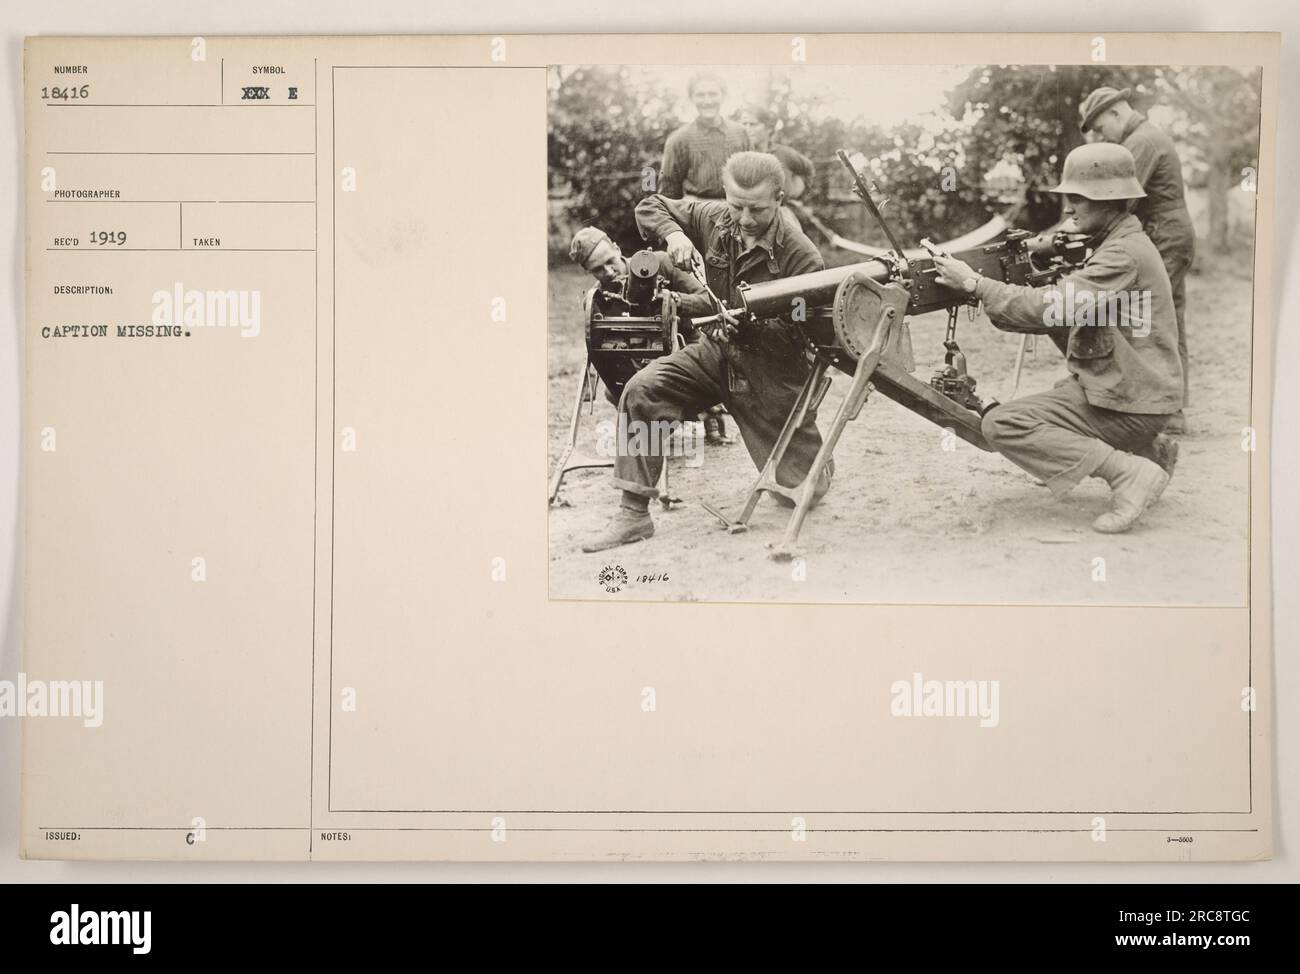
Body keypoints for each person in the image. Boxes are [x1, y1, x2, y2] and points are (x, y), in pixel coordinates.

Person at [582, 151, 831, 552]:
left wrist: (753, 325)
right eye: (737, 205)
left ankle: (815, 468)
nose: (746, 219)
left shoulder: (802, 256)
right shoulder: (713, 216)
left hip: (768, 374)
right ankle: (633, 514)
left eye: (758, 209)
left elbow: (804, 333)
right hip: (715, 354)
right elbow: (650, 205)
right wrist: (675, 234)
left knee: (802, 487)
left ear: (780, 199)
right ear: (725, 195)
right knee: (643, 390)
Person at [932, 143, 1182, 534]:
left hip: (1132, 401)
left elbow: (1053, 309)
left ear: (1109, 200)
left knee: (1002, 424)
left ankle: (1128, 473)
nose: (1068, 209)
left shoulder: (1122, 255)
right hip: (1130, 390)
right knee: (1053, 400)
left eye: (1077, 199)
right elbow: (1058, 312)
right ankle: (1147, 450)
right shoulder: (1117, 244)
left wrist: (975, 284)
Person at [1080, 86, 1195, 433]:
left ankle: (1155, 410)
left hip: (1163, 234)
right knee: (1169, 319)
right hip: (1170, 233)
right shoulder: (1147, 136)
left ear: (1116, 114)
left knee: (1144, 319)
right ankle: (1173, 409)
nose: (1101, 136)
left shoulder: (1140, 143)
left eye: (1101, 129)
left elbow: (1119, 198)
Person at [567, 226, 730, 442]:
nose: (608, 272)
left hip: (687, 343)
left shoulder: (660, 263)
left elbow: (709, 302)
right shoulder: (601, 298)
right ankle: (652, 426)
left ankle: (710, 414)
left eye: (610, 262)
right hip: (642, 356)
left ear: (617, 248)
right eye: (597, 269)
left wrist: (674, 301)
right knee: (615, 390)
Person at [659, 72, 750, 200]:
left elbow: (753, 178)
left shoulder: (741, 133)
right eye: (700, 95)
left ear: (723, 96)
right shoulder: (679, 138)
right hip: (697, 213)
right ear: (691, 98)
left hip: (736, 211)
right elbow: (668, 190)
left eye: (713, 94)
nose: (707, 101)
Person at [736, 105, 815, 201]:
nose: (747, 129)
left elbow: (808, 168)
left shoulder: (783, 153)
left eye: (753, 124)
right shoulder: (736, 155)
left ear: (768, 128)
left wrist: (798, 190)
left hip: (781, 210)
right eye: (744, 124)